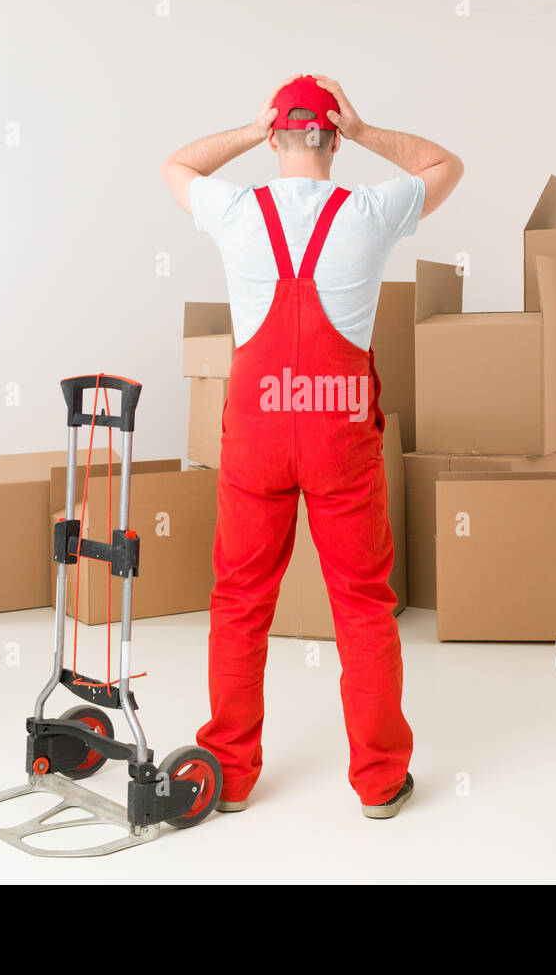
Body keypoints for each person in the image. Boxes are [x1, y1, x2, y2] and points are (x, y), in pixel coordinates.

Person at [162, 74, 462, 818]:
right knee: (362, 603)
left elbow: (176, 166)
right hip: (338, 430)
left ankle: (229, 773)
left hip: (259, 428)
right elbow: (444, 165)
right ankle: (380, 780)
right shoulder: (369, 209)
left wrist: (244, 127)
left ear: (276, 137)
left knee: (239, 599)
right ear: (332, 135)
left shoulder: (234, 208)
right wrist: (366, 131)